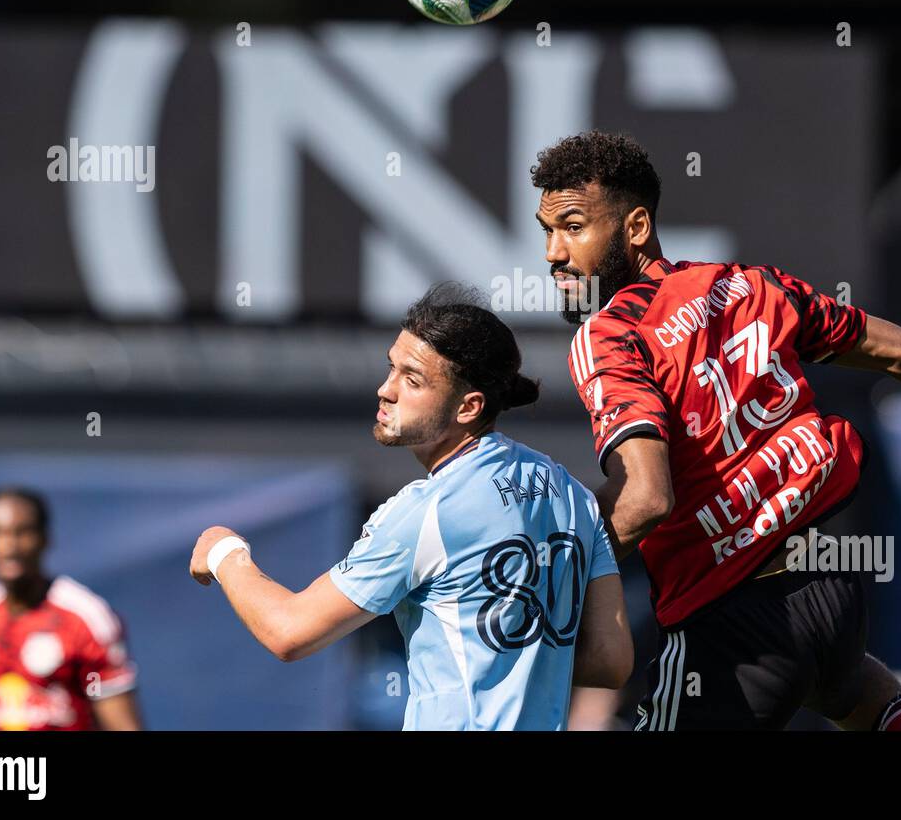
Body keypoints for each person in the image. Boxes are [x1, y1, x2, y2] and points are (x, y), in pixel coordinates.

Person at [531, 130, 901, 731]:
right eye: (547, 230)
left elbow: (645, 498)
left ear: (635, 228)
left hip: (732, 621)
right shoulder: (753, 285)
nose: (554, 251)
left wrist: (546, 584)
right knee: (859, 692)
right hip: (833, 587)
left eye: (573, 227)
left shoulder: (609, 335)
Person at [190, 284, 632, 730]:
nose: (386, 390)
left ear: (468, 407)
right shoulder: (572, 493)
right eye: (392, 369)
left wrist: (224, 551)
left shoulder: (427, 511)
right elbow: (610, 661)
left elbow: (288, 632)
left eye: (412, 379)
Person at [0, 487, 142, 731]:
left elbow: (123, 725)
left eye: (23, 533)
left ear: (45, 538)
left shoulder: (85, 617)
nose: (9, 546)